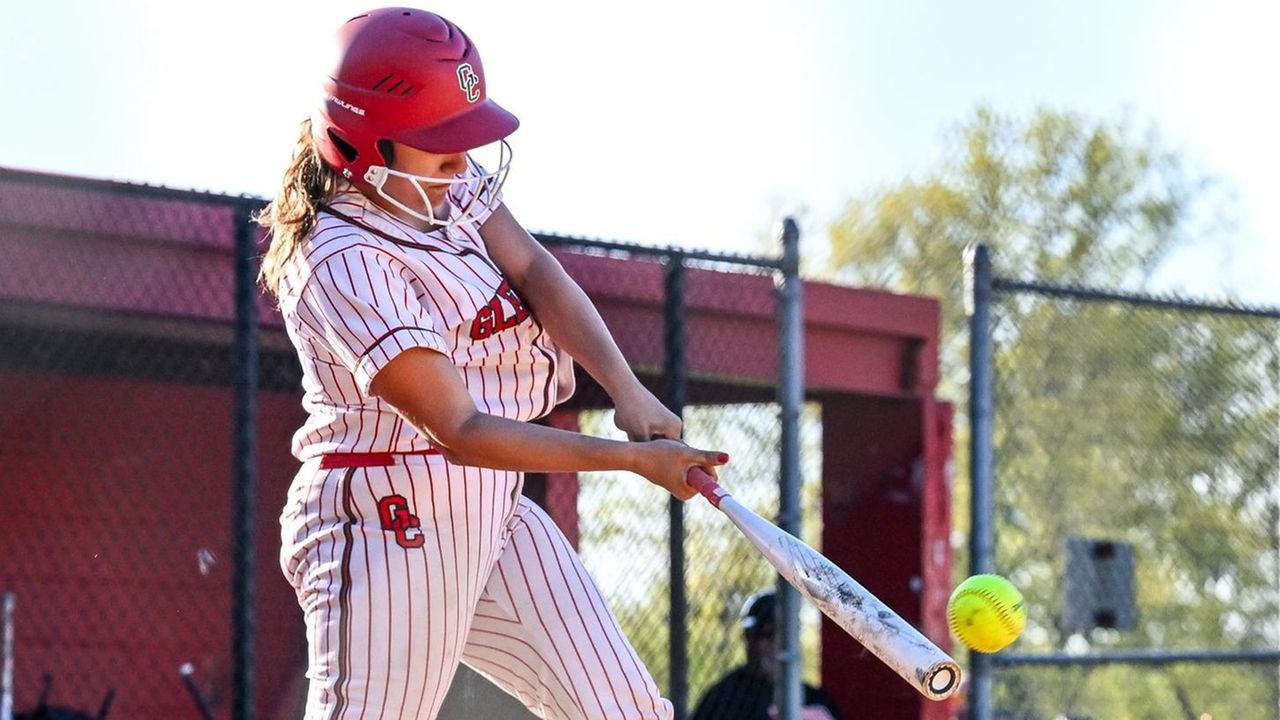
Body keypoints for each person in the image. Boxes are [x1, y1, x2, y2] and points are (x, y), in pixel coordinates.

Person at [255, 8, 728, 719]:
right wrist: (630, 462)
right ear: (362, 142)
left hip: (493, 511)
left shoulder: (440, 183)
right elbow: (463, 428)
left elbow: (534, 268)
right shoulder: (341, 256)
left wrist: (625, 389)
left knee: (626, 712)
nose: (461, 161)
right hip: (389, 518)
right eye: (440, 146)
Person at [690, 591, 842, 720]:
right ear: (748, 638)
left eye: (782, 635)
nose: (773, 644)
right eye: (766, 634)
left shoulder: (814, 700)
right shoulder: (725, 696)